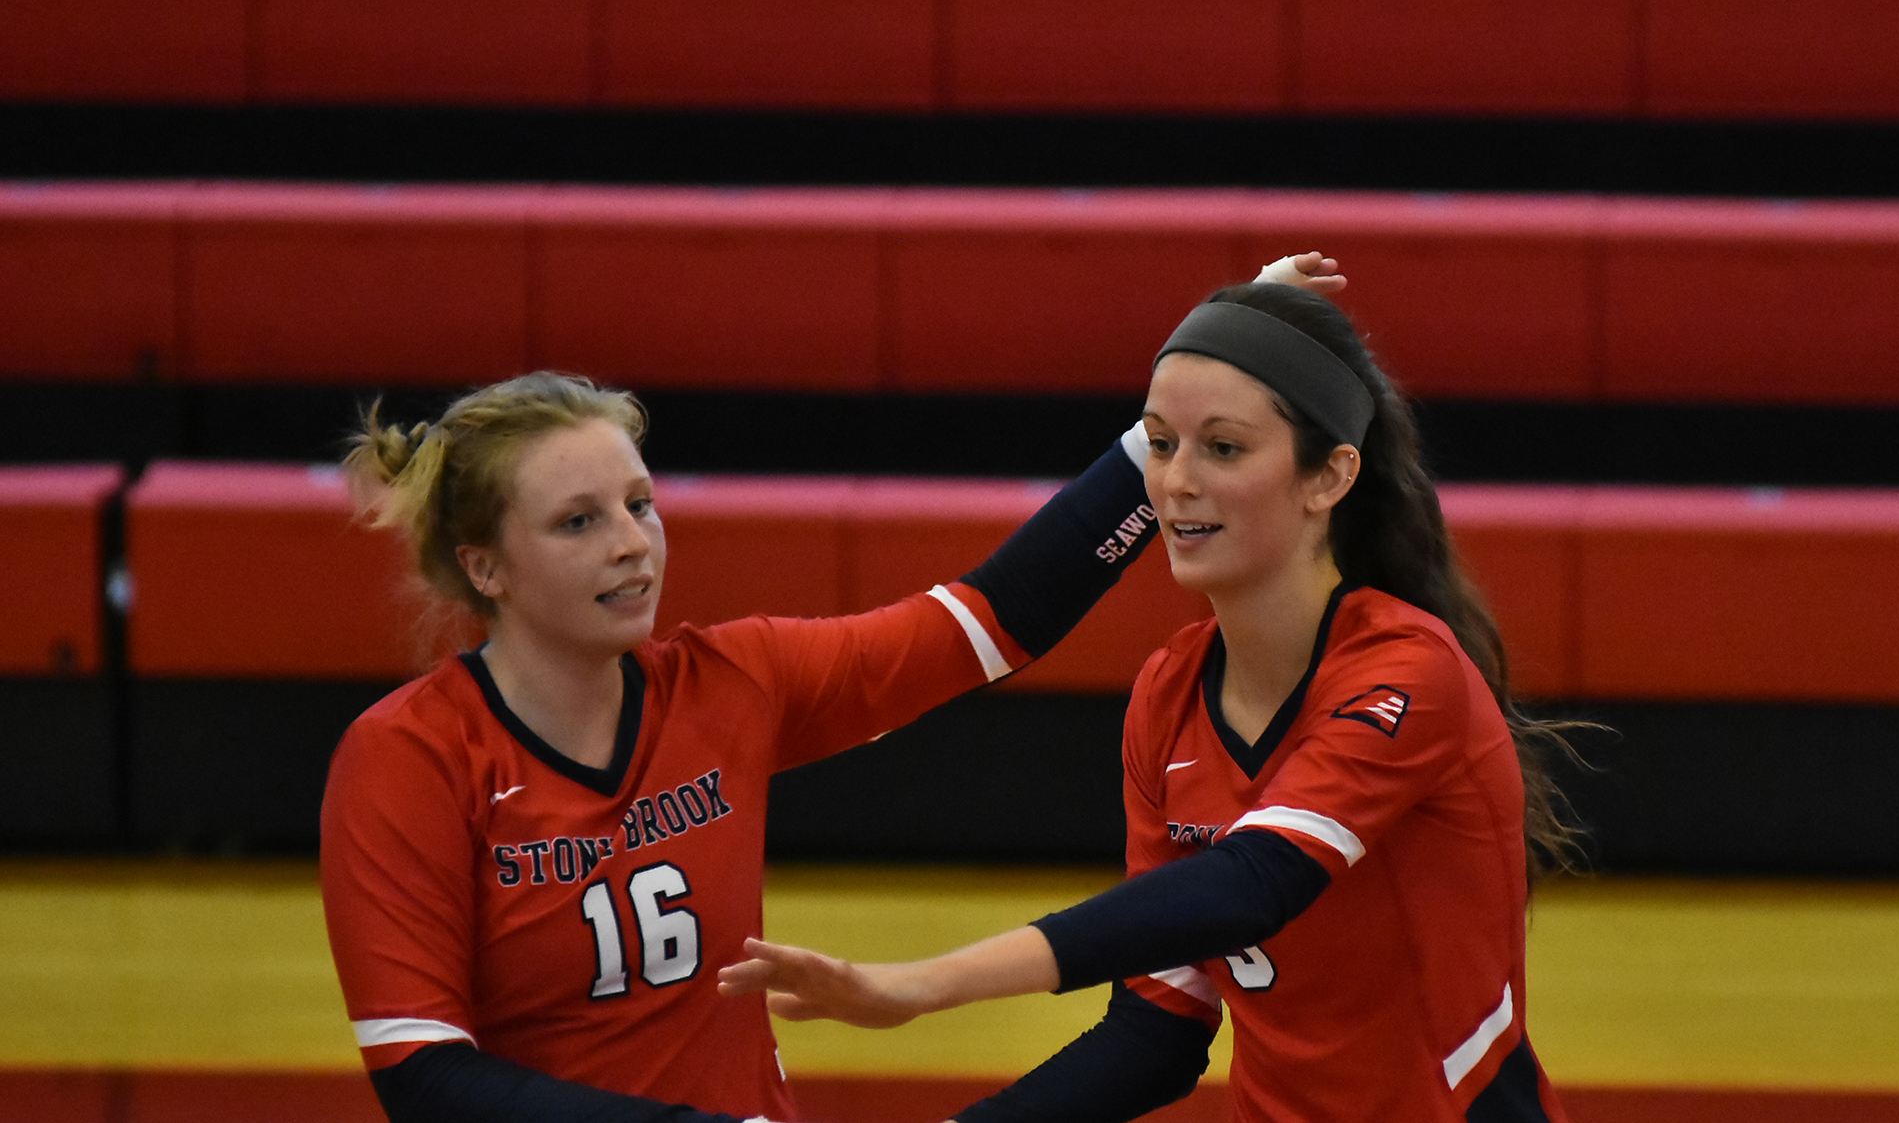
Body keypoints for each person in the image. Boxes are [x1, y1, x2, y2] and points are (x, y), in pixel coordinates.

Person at [318, 256, 1346, 1123]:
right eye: (578, 522)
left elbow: (989, 624)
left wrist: (1174, 427)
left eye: (639, 504)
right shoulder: (409, 756)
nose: (632, 545)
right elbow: (424, 1074)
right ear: (485, 567)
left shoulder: (729, 682)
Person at [718, 281, 1582, 1122]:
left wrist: (919, 984)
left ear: (1329, 478)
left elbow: (1247, 885)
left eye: (1224, 448)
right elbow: (1157, 1031)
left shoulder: (1407, 670)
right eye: (1161, 445)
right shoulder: (1168, 695)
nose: (1177, 481)